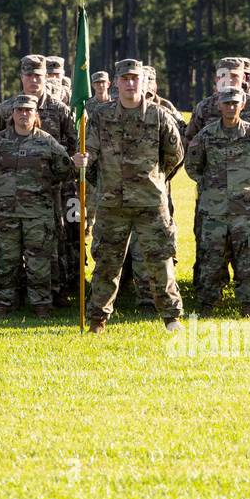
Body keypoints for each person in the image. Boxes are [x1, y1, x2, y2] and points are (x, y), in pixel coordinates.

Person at [75, 59, 185, 333]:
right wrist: (84, 165)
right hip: (112, 204)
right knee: (107, 265)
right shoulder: (101, 116)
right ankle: (98, 319)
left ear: (144, 82)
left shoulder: (159, 116)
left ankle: (172, 318)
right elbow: (91, 156)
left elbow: (175, 156)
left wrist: (156, 180)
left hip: (150, 203)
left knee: (160, 262)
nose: (130, 83)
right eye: (125, 79)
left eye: (135, 78)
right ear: (116, 83)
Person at [0, 94, 75, 316]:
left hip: (37, 213)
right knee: (5, 259)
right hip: (5, 212)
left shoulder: (47, 141)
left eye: (28, 111)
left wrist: (44, 184)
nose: (24, 114)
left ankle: (41, 304)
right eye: (19, 110)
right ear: (12, 114)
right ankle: (4, 303)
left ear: (35, 114)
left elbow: (64, 168)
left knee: (39, 260)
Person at [184, 87, 250, 316]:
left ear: (242, 105)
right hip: (214, 211)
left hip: (246, 210)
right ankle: (208, 303)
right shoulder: (206, 135)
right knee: (211, 258)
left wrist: (249, 187)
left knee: (249, 258)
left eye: (235, 103)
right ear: (219, 106)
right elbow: (192, 166)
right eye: (227, 103)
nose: (231, 107)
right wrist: (211, 188)